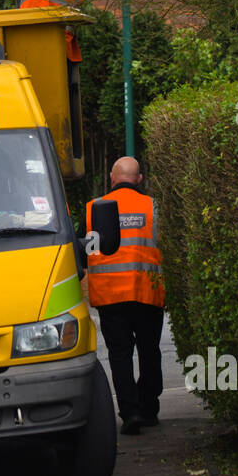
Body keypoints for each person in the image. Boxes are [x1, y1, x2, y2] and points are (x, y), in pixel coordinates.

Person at [84, 156, 165, 436]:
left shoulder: (92, 209)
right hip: (147, 292)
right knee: (149, 351)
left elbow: (86, 252)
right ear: (139, 179)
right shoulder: (153, 207)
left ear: (111, 178)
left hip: (110, 296)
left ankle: (129, 413)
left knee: (120, 355)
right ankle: (149, 408)